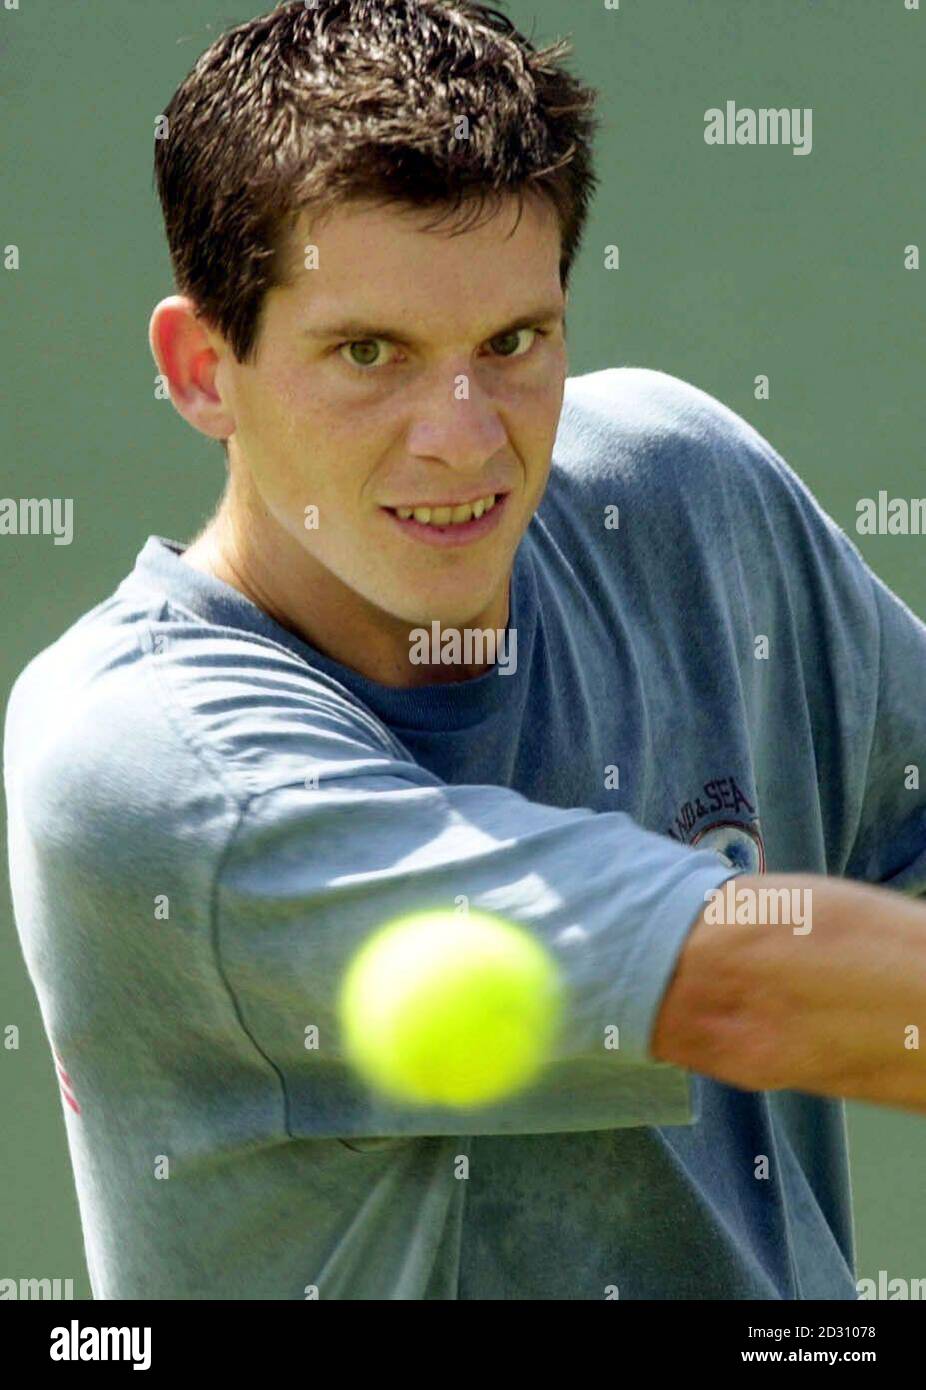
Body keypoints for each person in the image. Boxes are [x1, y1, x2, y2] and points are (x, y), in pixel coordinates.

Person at [5, 0, 926, 1301]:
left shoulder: (680, 489)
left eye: (512, 344)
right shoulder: (148, 771)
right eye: (367, 352)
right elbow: (744, 990)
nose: (463, 437)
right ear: (204, 368)